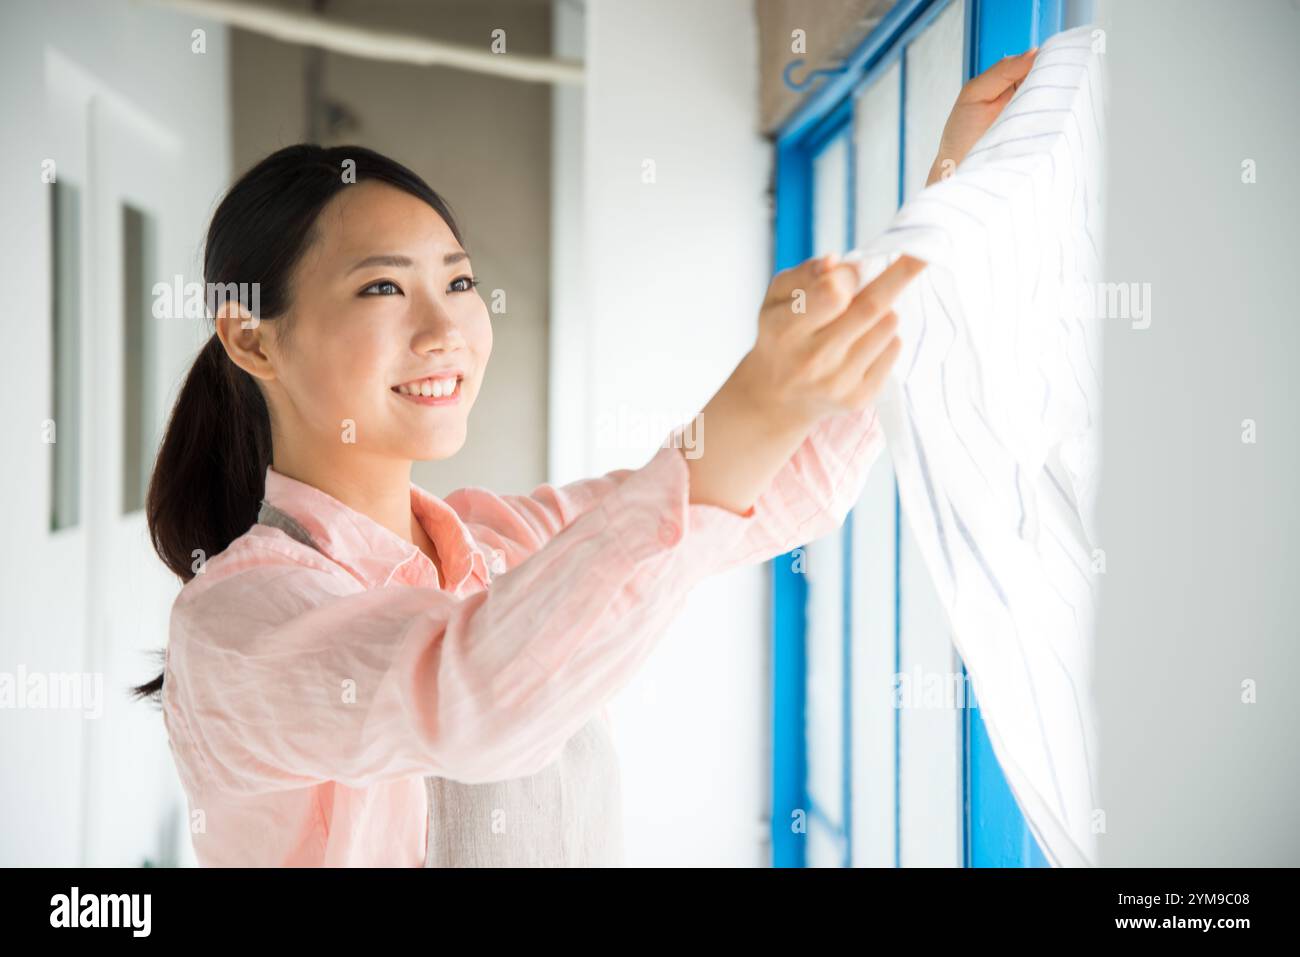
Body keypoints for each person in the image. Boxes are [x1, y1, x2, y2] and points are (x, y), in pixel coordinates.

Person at [133, 50, 1036, 867]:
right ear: (252, 339)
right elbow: (472, 696)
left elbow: (771, 486)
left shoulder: (505, 537)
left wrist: (948, 204)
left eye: (456, 280)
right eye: (381, 286)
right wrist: (755, 400)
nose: (446, 328)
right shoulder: (235, 622)